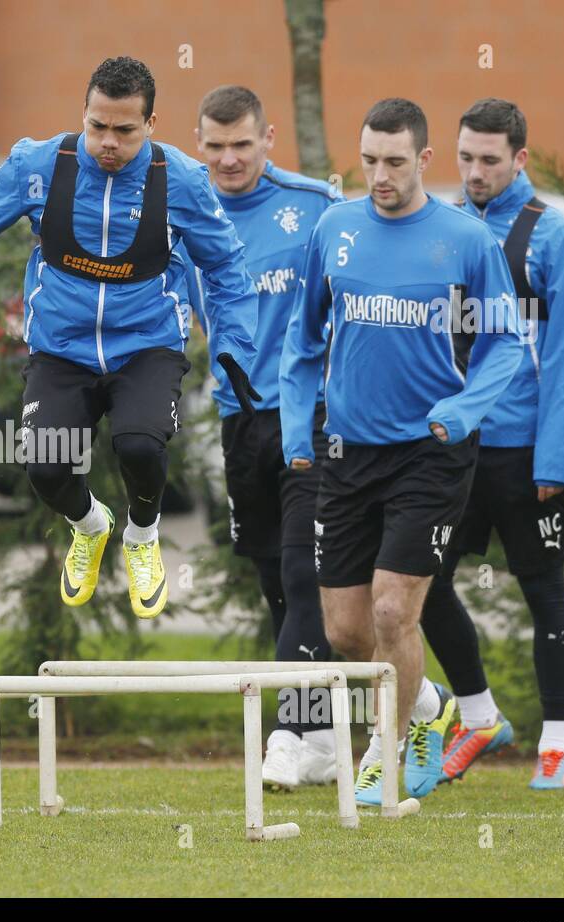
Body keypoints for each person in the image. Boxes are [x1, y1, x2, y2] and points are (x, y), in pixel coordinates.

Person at [0, 56, 261, 620]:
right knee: (46, 465)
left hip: (147, 343)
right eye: (97, 126)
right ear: (84, 114)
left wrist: (233, 349)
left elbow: (227, 271)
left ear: (151, 124)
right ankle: (91, 526)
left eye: (124, 130)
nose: (108, 142)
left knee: (140, 445)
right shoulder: (39, 165)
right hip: (61, 346)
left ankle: (142, 536)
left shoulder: (182, 181)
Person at [280, 98, 525, 805]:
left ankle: (387, 757)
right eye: (369, 162)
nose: (380, 176)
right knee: (347, 630)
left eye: (394, 162)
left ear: (423, 159)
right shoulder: (335, 230)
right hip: (347, 453)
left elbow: (506, 342)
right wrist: (299, 431)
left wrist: (464, 408)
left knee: (395, 613)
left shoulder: (464, 241)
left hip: (432, 450)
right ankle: (433, 710)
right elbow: (301, 345)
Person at [420, 98, 564, 790]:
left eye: (490, 159)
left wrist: (556, 459)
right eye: (465, 157)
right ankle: (478, 713)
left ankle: (556, 743)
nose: (475, 171)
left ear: (520, 158)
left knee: (544, 591)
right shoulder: (443, 229)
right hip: (450, 449)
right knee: (419, 581)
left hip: (524, 455)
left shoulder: (556, 238)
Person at [185, 85, 344, 788]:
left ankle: (288, 732)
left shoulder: (314, 206)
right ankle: (333, 731)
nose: (228, 159)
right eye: (215, 146)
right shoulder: (183, 211)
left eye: (242, 144)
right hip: (238, 419)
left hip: (310, 415)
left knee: (305, 570)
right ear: (198, 145)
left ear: (268, 139)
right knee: (274, 580)